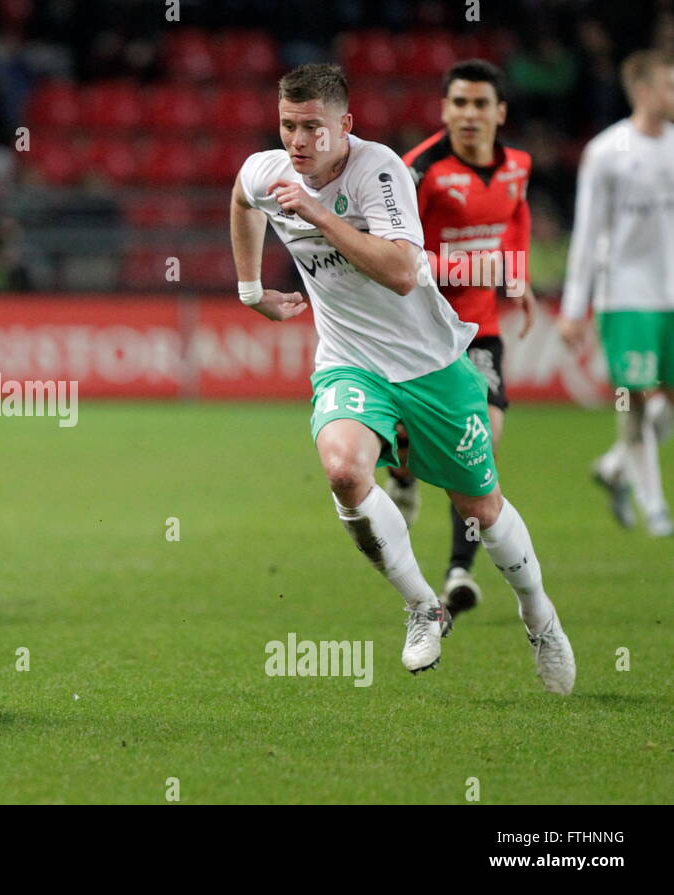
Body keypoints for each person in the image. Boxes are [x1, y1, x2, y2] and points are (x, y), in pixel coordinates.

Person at [229, 64, 574, 693]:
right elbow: (240, 196)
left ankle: (538, 613)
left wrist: (316, 214)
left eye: (312, 127)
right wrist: (251, 288)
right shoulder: (266, 170)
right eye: (287, 126)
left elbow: (400, 271)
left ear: (345, 126)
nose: (298, 141)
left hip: (431, 363)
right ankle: (423, 605)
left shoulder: (379, 169)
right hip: (350, 360)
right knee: (342, 470)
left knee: (480, 507)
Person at [384, 59, 537, 619]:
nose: (468, 114)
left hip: (478, 331)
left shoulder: (519, 166)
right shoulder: (416, 170)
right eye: (458, 103)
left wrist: (514, 275)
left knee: (484, 439)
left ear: (500, 112)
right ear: (444, 109)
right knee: (405, 440)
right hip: (417, 329)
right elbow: (394, 251)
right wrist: (473, 268)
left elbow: (515, 217)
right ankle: (402, 473)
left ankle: (457, 573)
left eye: (479, 104)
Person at [560, 50, 674, 537]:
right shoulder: (607, 152)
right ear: (644, 91)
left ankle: (614, 468)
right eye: (670, 85)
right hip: (625, 297)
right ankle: (656, 510)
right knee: (632, 400)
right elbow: (586, 233)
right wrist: (573, 307)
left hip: (671, 297)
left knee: (664, 400)